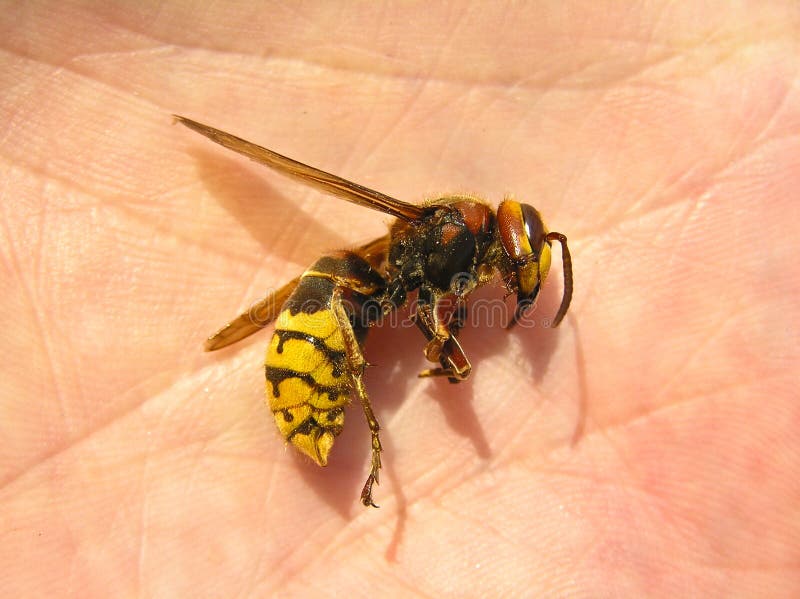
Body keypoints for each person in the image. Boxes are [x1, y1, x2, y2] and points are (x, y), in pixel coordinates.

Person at [1, 3, 798, 596]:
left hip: (346, 307)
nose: (520, 275)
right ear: (495, 242)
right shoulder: (443, 244)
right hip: (330, 311)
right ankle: (363, 426)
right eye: (523, 259)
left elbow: (432, 317)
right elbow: (421, 311)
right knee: (366, 320)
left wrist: (447, 352)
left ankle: (354, 410)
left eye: (529, 266)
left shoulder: (456, 279)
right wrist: (445, 355)